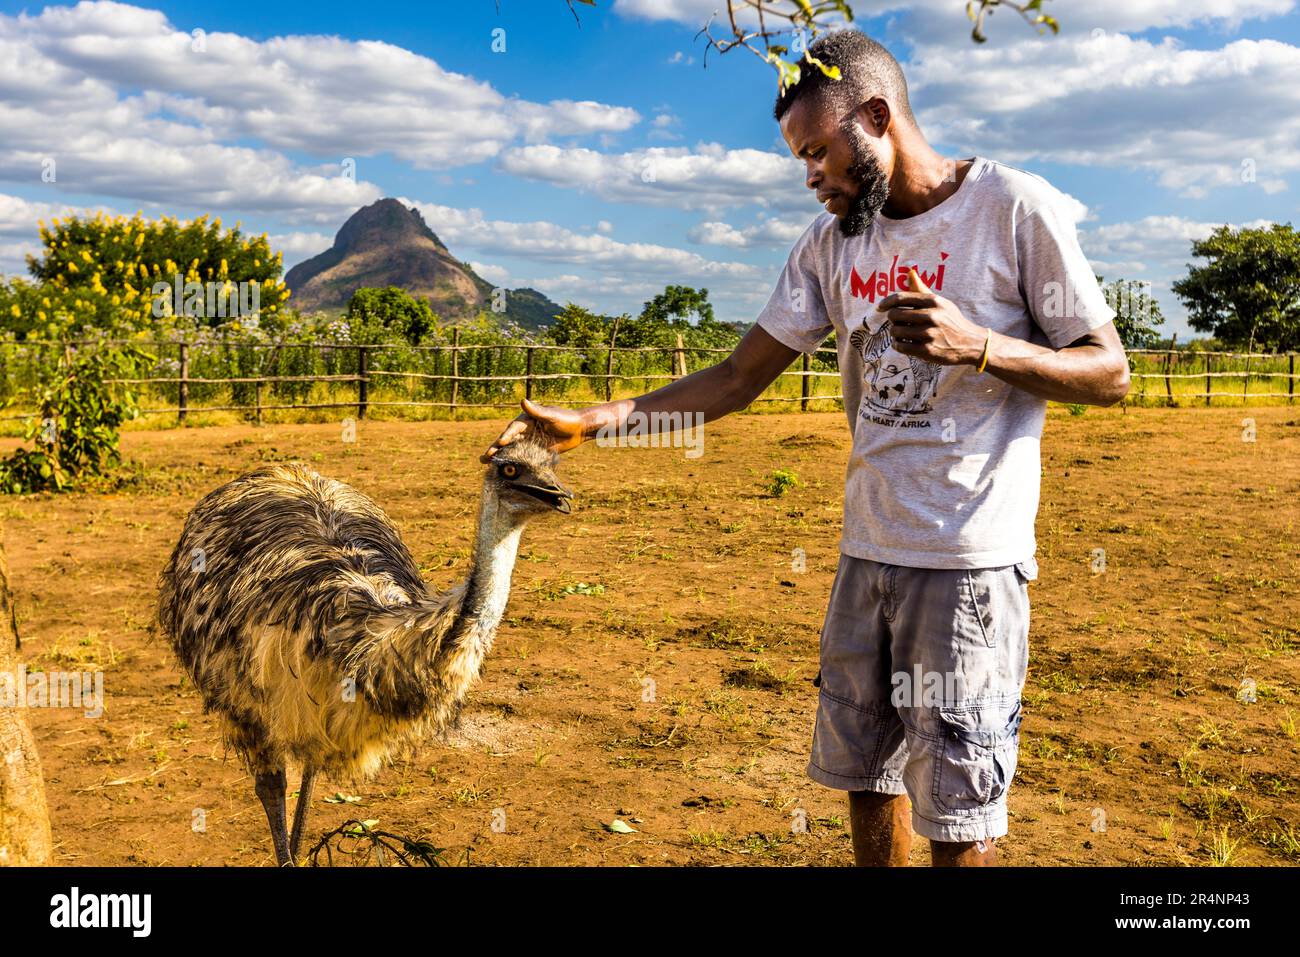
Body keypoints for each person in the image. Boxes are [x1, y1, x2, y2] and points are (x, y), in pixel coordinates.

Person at [482, 29, 1129, 866]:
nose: (812, 176)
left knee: (959, 806)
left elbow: (1109, 371)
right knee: (868, 773)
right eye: (801, 159)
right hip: (867, 554)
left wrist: (978, 344)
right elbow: (734, 379)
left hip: (967, 561)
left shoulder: (1010, 208)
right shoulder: (831, 248)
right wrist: (596, 420)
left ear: (876, 115)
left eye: (819, 152)